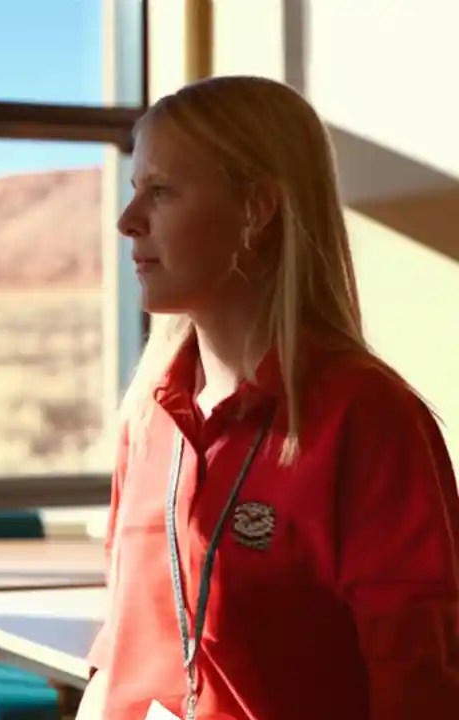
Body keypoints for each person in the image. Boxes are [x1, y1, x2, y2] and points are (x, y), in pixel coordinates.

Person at [75, 75, 459, 719]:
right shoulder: (149, 416)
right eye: (135, 189)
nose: (127, 220)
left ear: (256, 209)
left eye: (161, 191)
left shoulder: (369, 420)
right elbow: (120, 655)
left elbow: (419, 685)